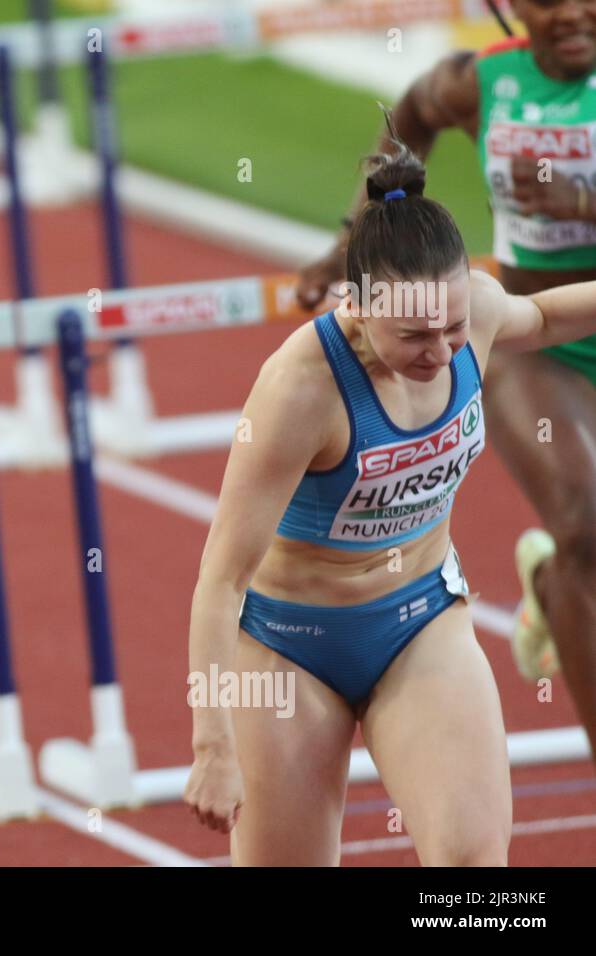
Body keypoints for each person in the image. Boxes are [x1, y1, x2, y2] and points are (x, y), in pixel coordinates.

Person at [184, 127, 596, 865]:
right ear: (358, 306)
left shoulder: (472, 311)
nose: (440, 352)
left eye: (453, 328)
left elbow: (546, 317)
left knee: (475, 873)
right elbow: (222, 578)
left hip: (420, 622)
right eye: (413, 336)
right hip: (288, 647)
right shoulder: (298, 390)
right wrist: (212, 741)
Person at [297, 0, 596, 760]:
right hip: (539, 335)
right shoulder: (482, 80)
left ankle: (547, 593)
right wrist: (356, 237)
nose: (569, 11)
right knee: (586, 528)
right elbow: (410, 118)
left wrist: (583, 202)